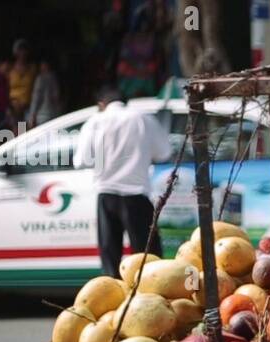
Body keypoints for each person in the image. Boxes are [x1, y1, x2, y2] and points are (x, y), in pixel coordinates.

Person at [73, 86, 171, 278]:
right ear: (125, 102)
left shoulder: (94, 122)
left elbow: (81, 161)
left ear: (101, 104)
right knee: (148, 259)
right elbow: (164, 153)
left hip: (106, 195)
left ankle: (113, 292)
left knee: (110, 257)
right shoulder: (143, 119)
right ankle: (148, 292)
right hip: (137, 196)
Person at [26, 59, 62, 128]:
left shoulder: (41, 79)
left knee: (23, 128)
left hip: (42, 115)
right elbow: (56, 96)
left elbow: (36, 98)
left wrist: (32, 116)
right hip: (53, 114)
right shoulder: (55, 78)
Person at [8, 40, 37, 121]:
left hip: (28, 107)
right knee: (17, 126)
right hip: (13, 108)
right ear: (15, 52)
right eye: (20, 50)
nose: (22, 53)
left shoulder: (33, 69)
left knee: (24, 127)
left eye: (24, 50)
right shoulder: (10, 69)